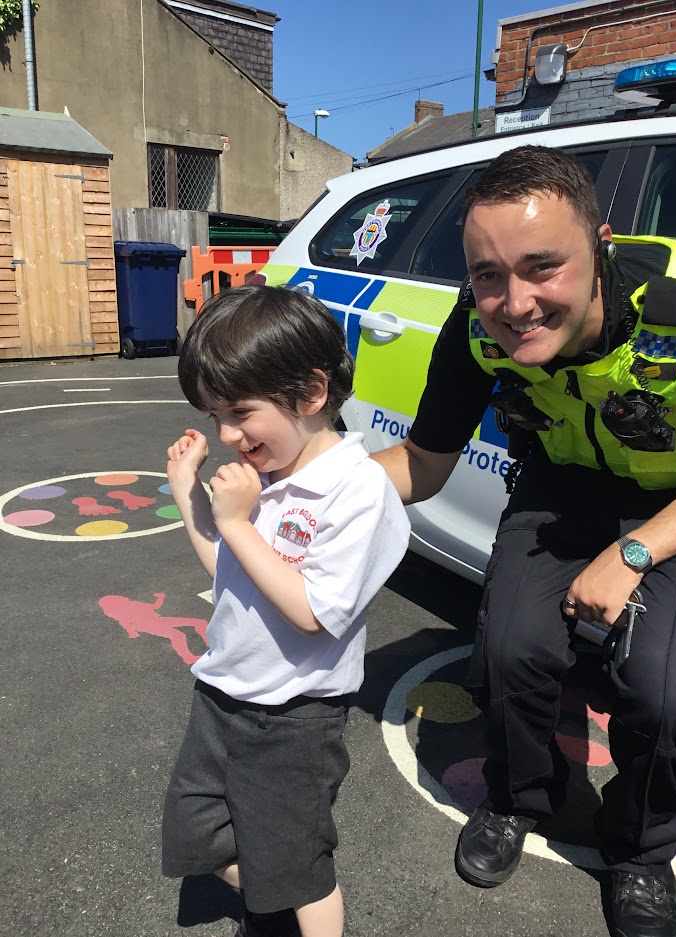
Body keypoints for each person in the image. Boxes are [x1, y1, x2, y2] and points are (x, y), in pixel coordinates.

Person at [372, 144, 676, 937]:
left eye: (541, 267)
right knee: (509, 652)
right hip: (559, 487)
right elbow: (423, 460)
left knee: (667, 698)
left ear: (602, 245)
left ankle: (638, 845)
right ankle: (518, 797)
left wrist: (631, 554)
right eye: (488, 274)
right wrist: (307, 491)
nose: (512, 303)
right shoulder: (472, 323)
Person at [161, 285, 410, 937]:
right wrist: (190, 495)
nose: (225, 434)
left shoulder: (357, 492)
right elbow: (232, 571)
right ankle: (268, 887)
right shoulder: (269, 472)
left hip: (294, 715)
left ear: (310, 392)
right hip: (222, 693)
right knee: (201, 836)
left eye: (240, 411)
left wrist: (237, 518)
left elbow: (309, 611)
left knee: (299, 864)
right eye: (215, 415)